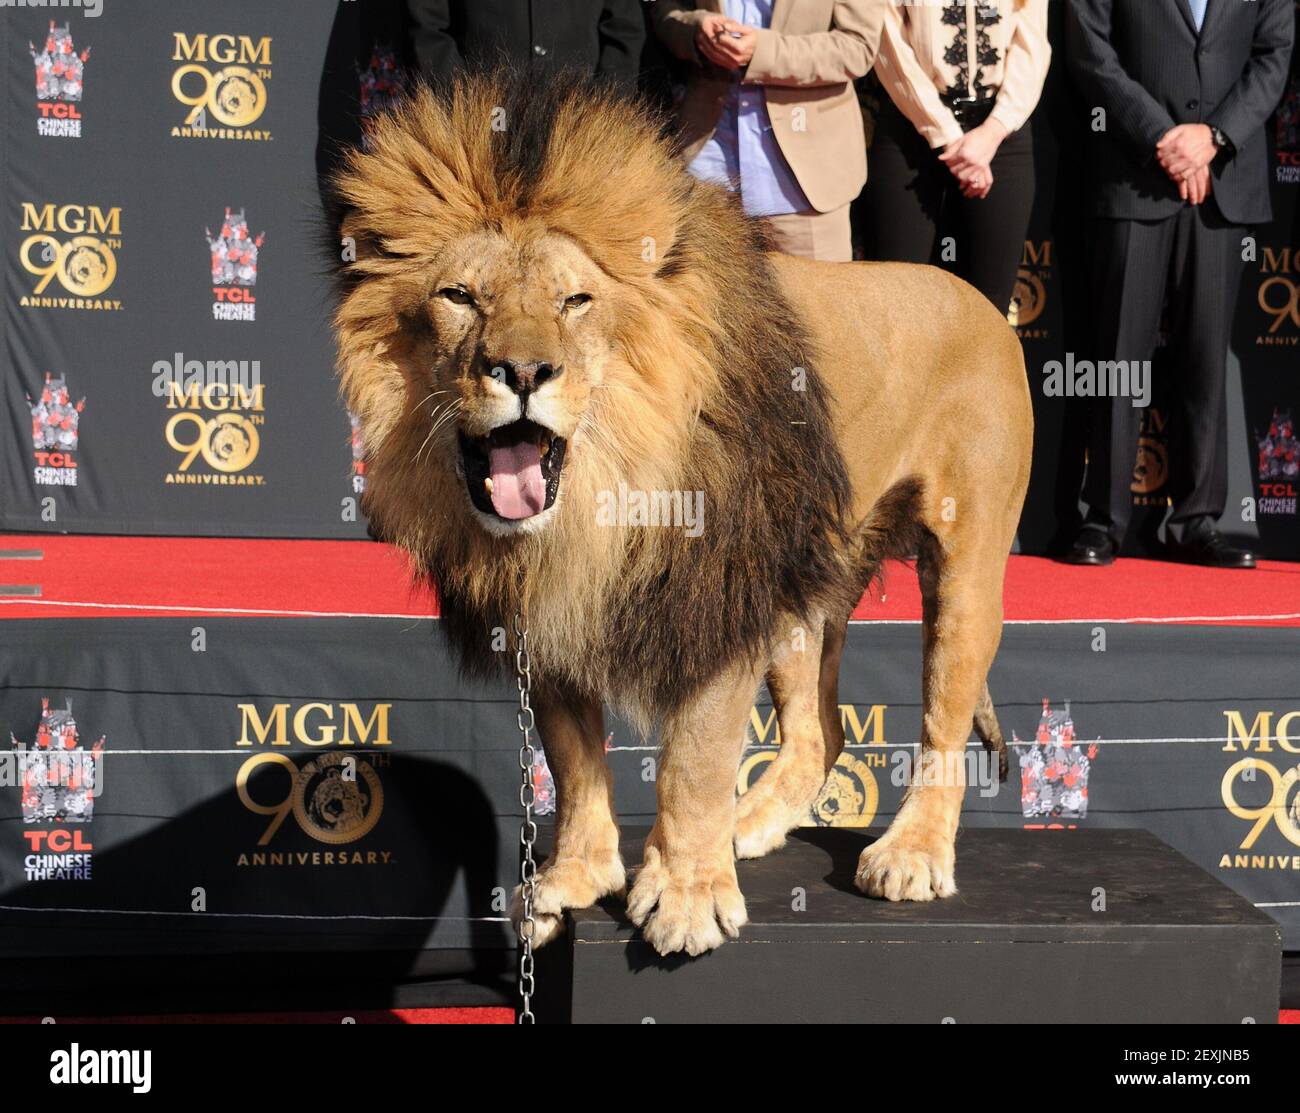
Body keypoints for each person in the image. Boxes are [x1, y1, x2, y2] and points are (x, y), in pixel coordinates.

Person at [1062, 0, 1293, 569]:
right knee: (1119, 356)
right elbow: (1091, 51)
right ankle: (1104, 518)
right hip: (1131, 176)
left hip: (1224, 184)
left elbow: (1274, 55)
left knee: (1205, 356)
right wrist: (1162, 138)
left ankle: (1197, 520)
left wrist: (1214, 137)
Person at [654, 0, 886, 262]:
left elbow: (857, 48)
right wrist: (695, 32)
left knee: (816, 302)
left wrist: (764, 52)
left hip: (805, 184)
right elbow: (664, 11)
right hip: (706, 174)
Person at [860, 0, 1050, 313]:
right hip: (910, 127)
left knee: (989, 308)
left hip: (1001, 134)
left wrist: (992, 131)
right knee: (899, 302)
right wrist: (947, 135)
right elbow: (888, 43)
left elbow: (1032, 47)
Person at [406, 0, 645, 87]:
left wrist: (604, 108)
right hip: (474, 128)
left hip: (580, 125)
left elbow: (624, 30)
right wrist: (459, 102)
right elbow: (426, 27)